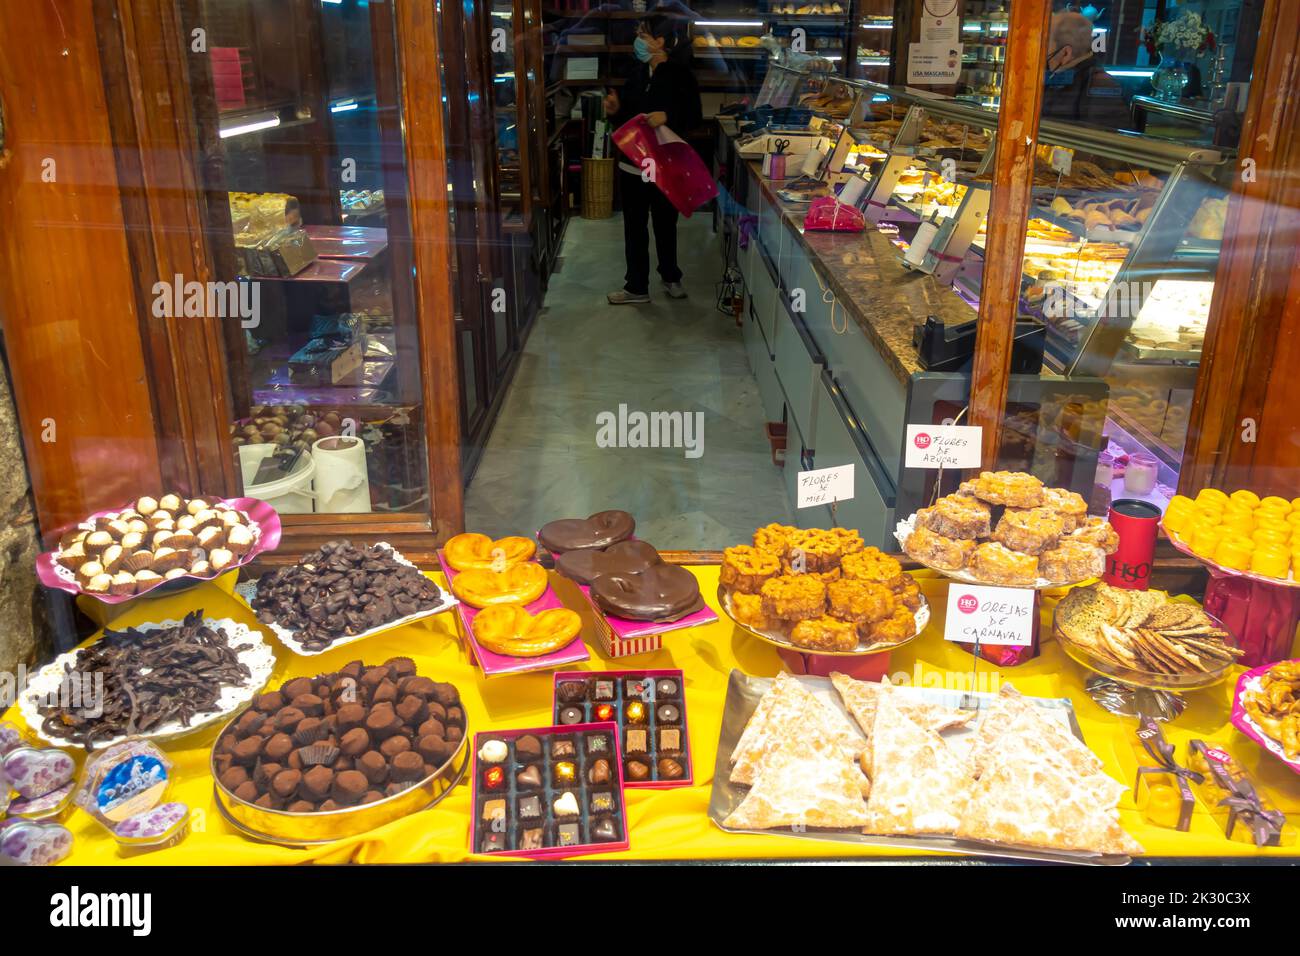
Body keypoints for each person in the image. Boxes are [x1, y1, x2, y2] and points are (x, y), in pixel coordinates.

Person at [604, 13, 702, 305]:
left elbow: (694, 117)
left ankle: (671, 276)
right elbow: (625, 120)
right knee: (634, 226)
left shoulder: (681, 75)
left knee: (665, 223)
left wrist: (668, 117)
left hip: (665, 166)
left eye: (643, 35)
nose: (638, 41)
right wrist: (614, 111)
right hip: (632, 164)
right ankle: (636, 287)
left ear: (660, 41)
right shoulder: (634, 74)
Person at [1041, 10, 1132, 131]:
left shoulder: (1100, 86)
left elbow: (1103, 142)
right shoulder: (1056, 76)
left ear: (1066, 54)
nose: (1041, 54)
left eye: (1046, 47)